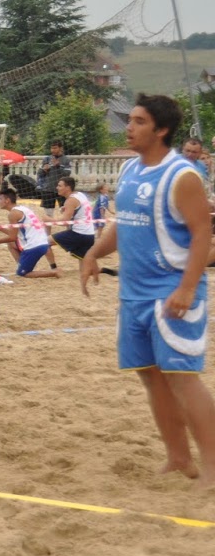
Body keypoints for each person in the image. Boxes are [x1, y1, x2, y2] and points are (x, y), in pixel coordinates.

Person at [82, 94, 215, 487]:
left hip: (171, 290)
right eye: (131, 120)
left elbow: (202, 234)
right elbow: (124, 221)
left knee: (182, 377)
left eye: (139, 121)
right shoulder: (130, 168)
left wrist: (187, 288)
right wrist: (93, 253)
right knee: (150, 376)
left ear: (162, 129)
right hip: (133, 292)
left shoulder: (181, 175)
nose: (129, 127)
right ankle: (179, 458)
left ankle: (213, 464)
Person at [0, 188, 59, 278]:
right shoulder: (22, 209)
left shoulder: (13, 214)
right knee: (11, 244)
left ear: (7, 200)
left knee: (23, 274)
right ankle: (22, 265)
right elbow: (15, 235)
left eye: (0, 199)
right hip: (43, 243)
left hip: (35, 246)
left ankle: (54, 273)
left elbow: (12, 237)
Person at [50, 175, 98, 260]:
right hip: (90, 234)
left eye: (60, 186)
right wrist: (69, 209)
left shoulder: (70, 200)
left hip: (79, 234)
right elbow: (82, 209)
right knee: (85, 264)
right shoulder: (80, 194)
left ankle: (53, 266)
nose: (57, 188)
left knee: (45, 242)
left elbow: (64, 222)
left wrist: (48, 220)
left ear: (68, 188)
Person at [36, 141, 71, 215]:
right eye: (51, 148)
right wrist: (44, 170)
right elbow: (39, 174)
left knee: (65, 212)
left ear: (61, 148)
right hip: (48, 189)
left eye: (55, 148)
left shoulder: (66, 160)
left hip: (62, 189)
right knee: (48, 214)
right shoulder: (47, 159)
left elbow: (67, 174)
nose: (52, 150)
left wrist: (58, 166)